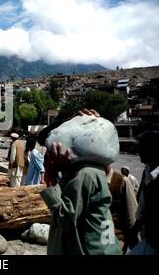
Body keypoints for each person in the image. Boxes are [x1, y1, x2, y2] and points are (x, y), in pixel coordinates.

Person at [41, 109, 121, 255]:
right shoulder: (87, 171)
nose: (48, 158)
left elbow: (64, 219)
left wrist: (50, 178)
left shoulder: (85, 174)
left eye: (49, 152)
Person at [128, 131, 159, 255]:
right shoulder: (146, 171)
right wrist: (135, 228)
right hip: (148, 237)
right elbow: (143, 204)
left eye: (141, 147)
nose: (138, 150)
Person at [106, 164, 138, 249]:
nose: (123, 172)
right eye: (122, 170)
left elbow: (131, 217)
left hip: (115, 239)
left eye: (125, 171)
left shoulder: (126, 180)